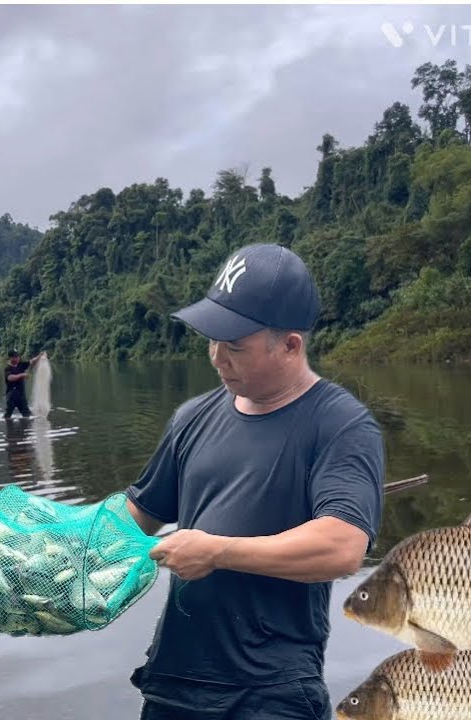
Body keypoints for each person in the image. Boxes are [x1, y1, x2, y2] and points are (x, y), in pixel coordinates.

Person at [122, 243, 386, 720]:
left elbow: (343, 546)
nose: (217, 358)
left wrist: (218, 551)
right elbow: (136, 515)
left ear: (290, 346)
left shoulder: (340, 424)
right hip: (174, 682)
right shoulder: (192, 417)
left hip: (269, 692)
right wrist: (28, 536)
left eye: (236, 346)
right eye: (212, 340)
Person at [3, 349, 45, 419]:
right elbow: (10, 378)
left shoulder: (21, 365)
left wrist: (40, 356)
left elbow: (32, 362)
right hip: (11, 397)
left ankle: (25, 428)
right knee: (8, 416)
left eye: (18, 356)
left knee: (27, 415)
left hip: (21, 396)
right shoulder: (8, 368)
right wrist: (22, 375)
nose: (17, 358)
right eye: (15, 357)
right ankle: (9, 428)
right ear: (10, 358)